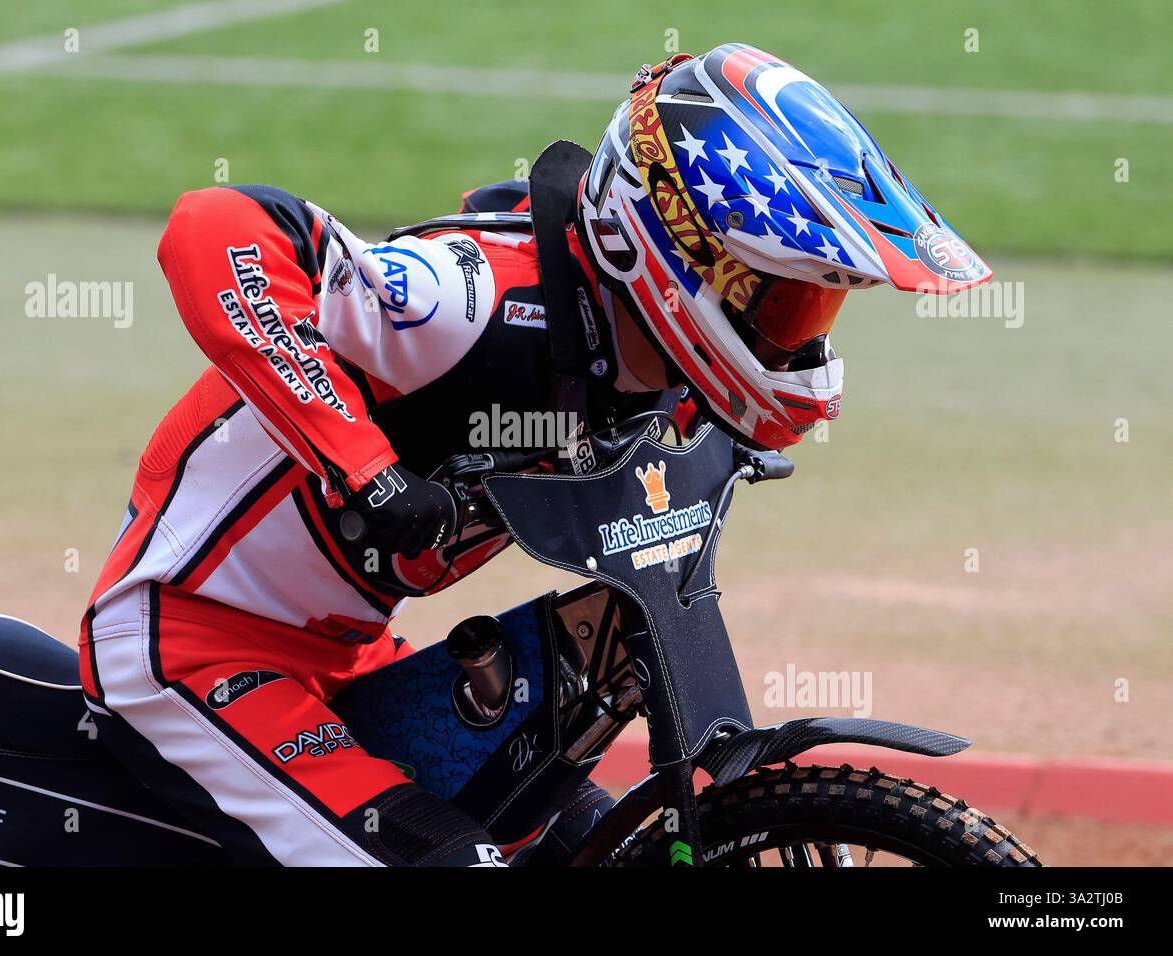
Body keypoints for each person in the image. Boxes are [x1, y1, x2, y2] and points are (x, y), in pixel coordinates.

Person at [78, 42, 990, 866]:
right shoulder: (468, 302)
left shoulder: (651, 360)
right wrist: (364, 465)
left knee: (574, 848)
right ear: (685, 258)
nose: (799, 344)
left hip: (342, 652)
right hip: (187, 649)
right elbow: (216, 226)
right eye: (788, 305)